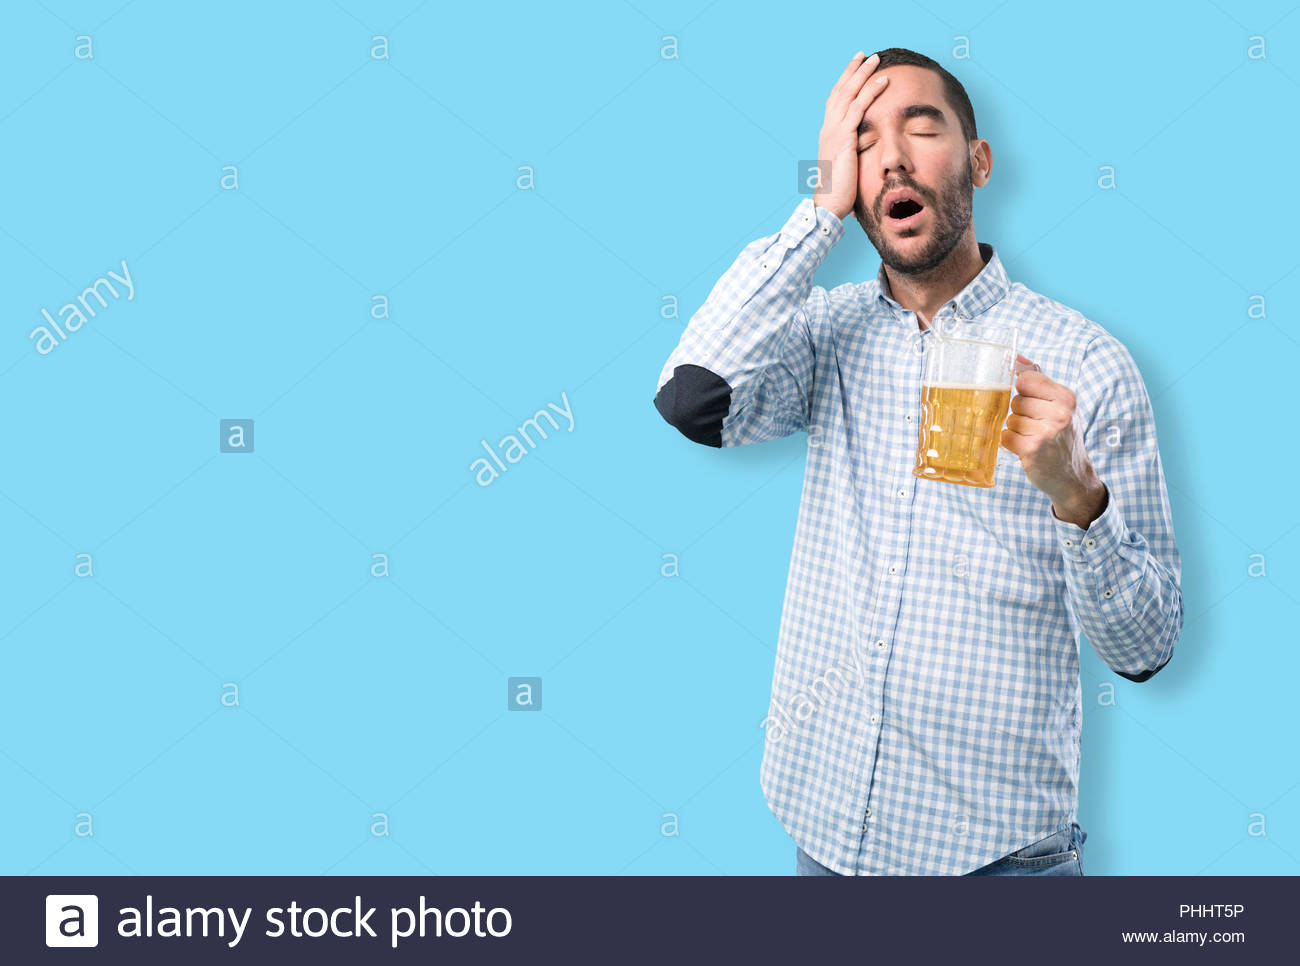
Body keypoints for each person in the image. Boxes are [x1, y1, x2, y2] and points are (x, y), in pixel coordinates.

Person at [651, 47, 1182, 876]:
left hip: (1001, 870)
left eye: (920, 126)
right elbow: (691, 398)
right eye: (862, 141)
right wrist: (819, 211)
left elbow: (1146, 650)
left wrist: (1078, 499)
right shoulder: (824, 338)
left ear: (978, 161)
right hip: (824, 845)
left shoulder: (1089, 363)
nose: (890, 154)